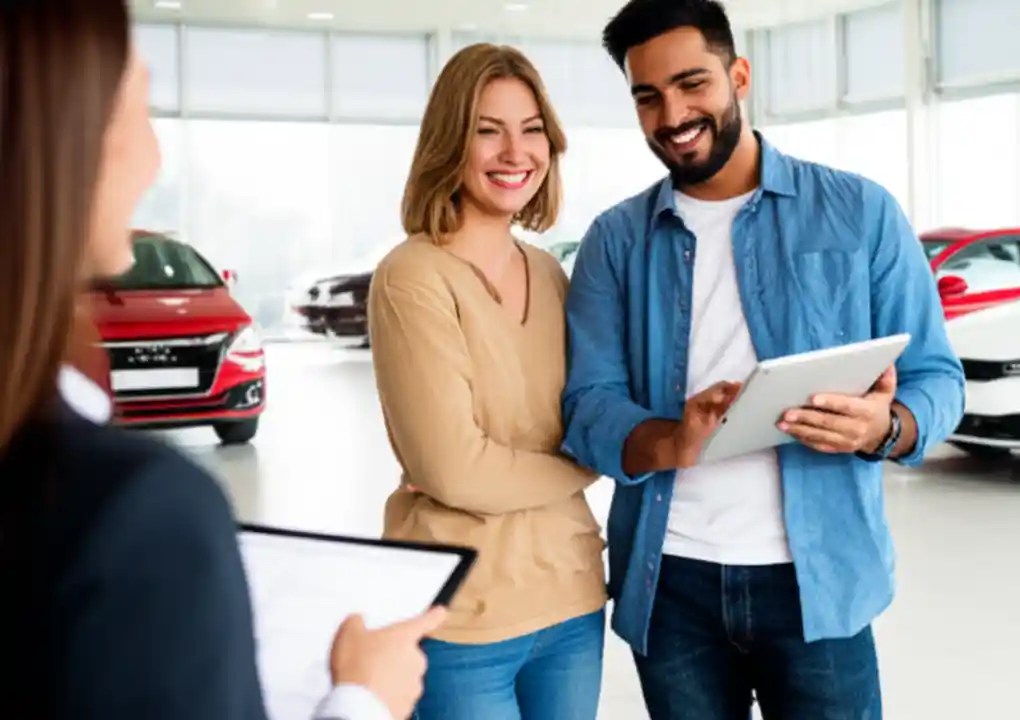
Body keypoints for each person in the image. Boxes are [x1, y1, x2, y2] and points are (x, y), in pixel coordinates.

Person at [0, 2, 446, 718]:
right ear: (61, 141)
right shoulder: (133, 514)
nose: (154, 153)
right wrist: (362, 698)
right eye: (137, 105)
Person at [560, 0, 966, 718]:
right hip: (671, 581)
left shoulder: (860, 212)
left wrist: (884, 427)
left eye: (693, 84)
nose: (672, 114)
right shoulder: (614, 241)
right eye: (647, 96)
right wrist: (670, 439)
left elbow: (938, 378)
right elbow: (588, 403)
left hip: (819, 583)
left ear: (738, 75)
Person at [368, 44, 605, 720]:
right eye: (487, 129)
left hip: (572, 598)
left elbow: (586, 412)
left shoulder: (552, 276)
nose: (515, 152)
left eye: (531, 129)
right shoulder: (412, 276)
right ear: (450, 141)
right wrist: (588, 463)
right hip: (462, 616)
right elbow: (456, 471)